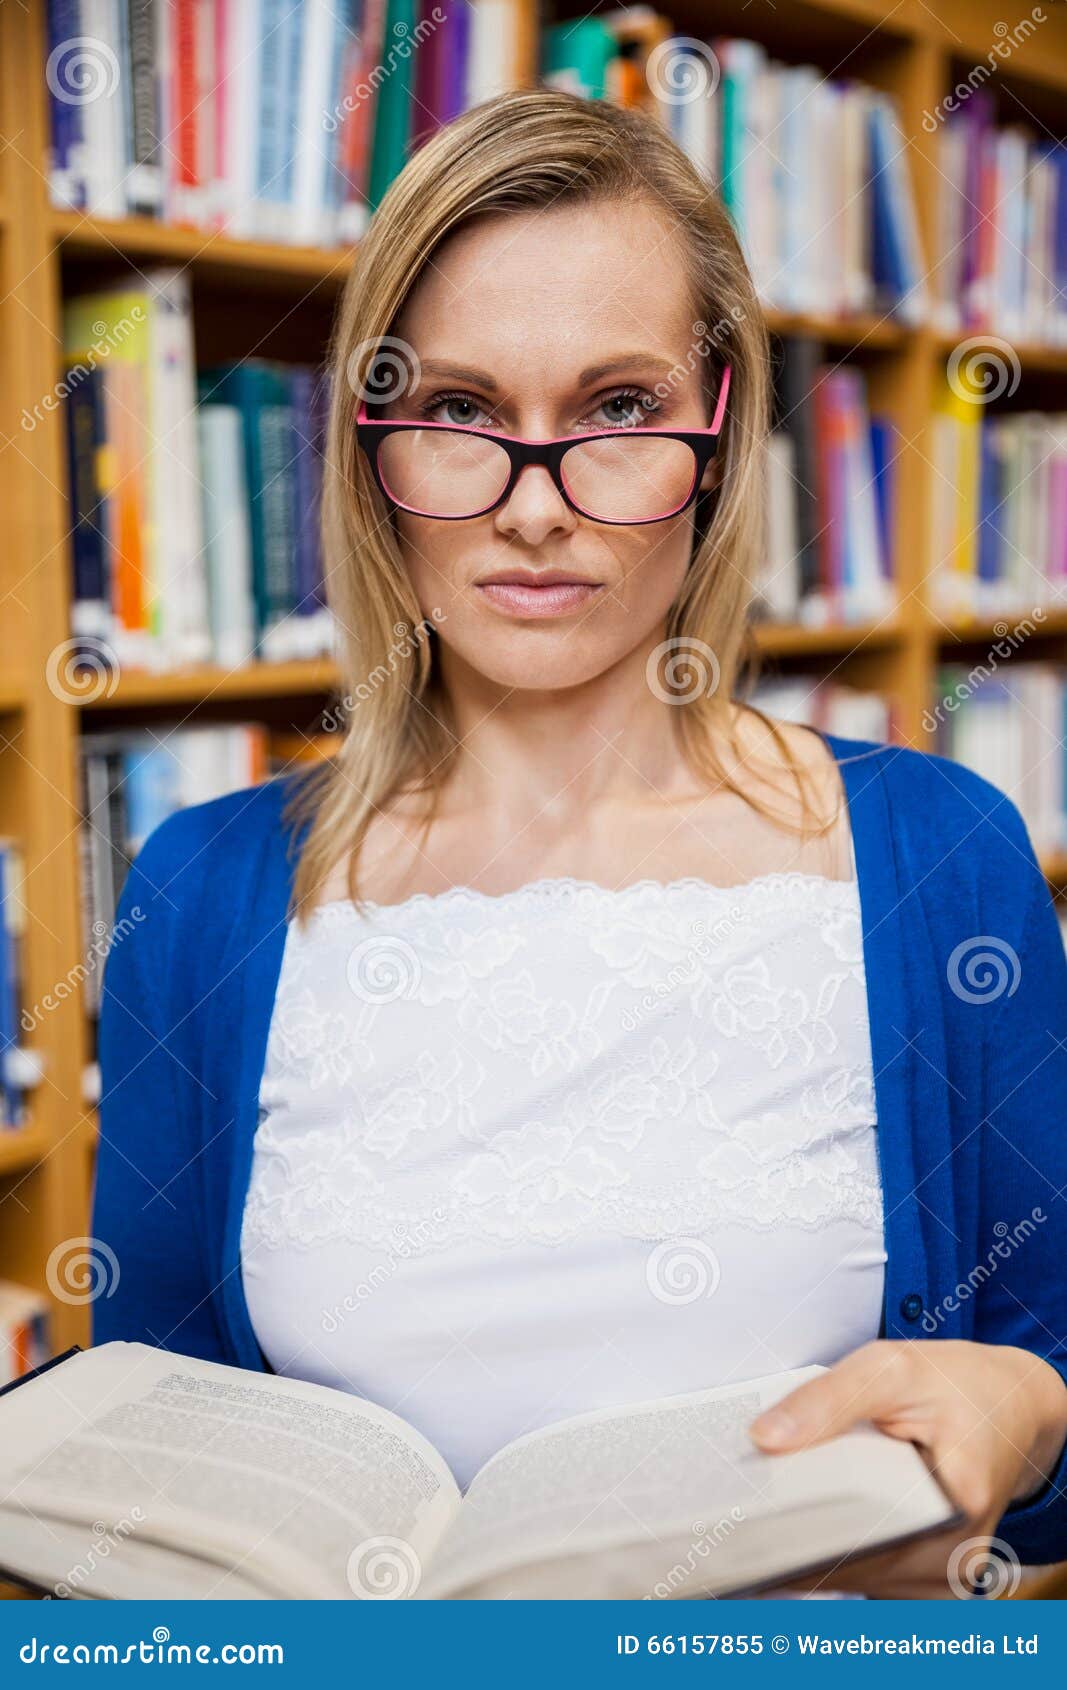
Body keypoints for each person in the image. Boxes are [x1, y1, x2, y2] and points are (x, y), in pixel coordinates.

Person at [93, 89, 1067, 1597]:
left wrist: (1038, 1415)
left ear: (720, 431)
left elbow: (1050, 1368)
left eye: (616, 410)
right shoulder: (204, 894)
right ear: (370, 446)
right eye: (464, 412)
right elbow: (146, 1448)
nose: (533, 508)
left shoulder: (937, 858)